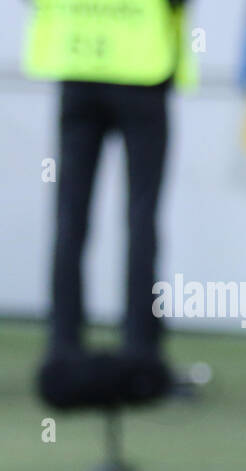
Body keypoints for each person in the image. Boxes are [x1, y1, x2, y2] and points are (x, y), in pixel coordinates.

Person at [25, 0, 196, 407]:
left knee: (70, 220)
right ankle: (141, 355)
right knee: (141, 221)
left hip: (78, 64)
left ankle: (63, 348)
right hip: (142, 70)